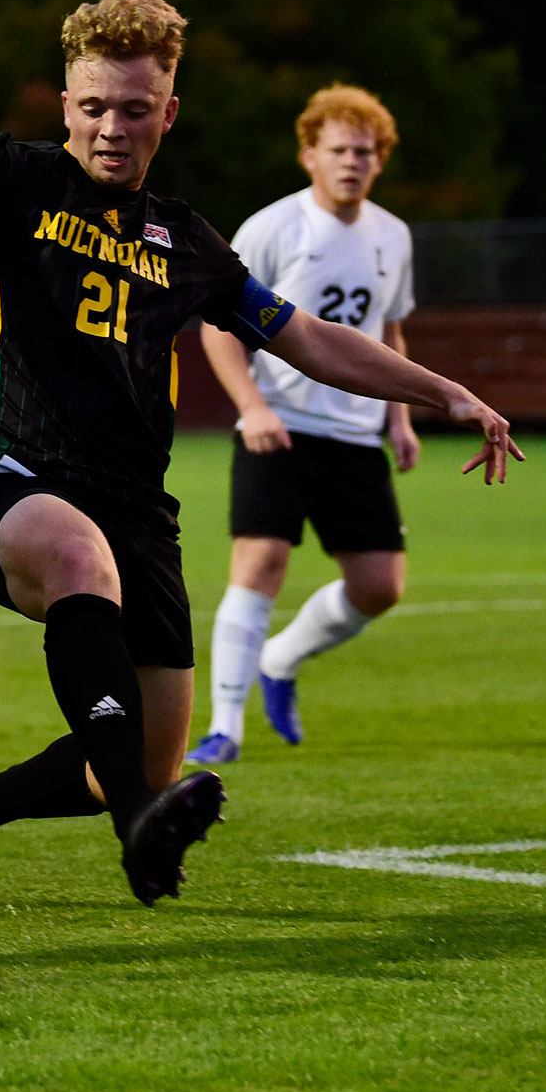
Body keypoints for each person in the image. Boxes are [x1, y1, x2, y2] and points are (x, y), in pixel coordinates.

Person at [0, 0, 521, 907]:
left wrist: (443, 392)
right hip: (17, 474)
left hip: (137, 508)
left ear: (169, 111)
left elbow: (307, 337)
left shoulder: (186, 240)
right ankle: (138, 835)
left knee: (144, 758)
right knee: (82, 572)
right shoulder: (14, 179)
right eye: (92, 107)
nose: (112, 127)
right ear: (65, 103)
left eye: (134, 108)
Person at [188, 84, 419, 765]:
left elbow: (390, 334)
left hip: (354, 436)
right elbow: (220, 330)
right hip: (280, 426)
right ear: (309, 155)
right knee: (260, 564)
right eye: (340, 149)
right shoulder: (271, 227)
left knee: (380, 587)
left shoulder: (393, 235)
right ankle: (225, 727)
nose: (355, 161)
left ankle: (280, 660)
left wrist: (398, 420)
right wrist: (252, 408)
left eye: (368, 152)